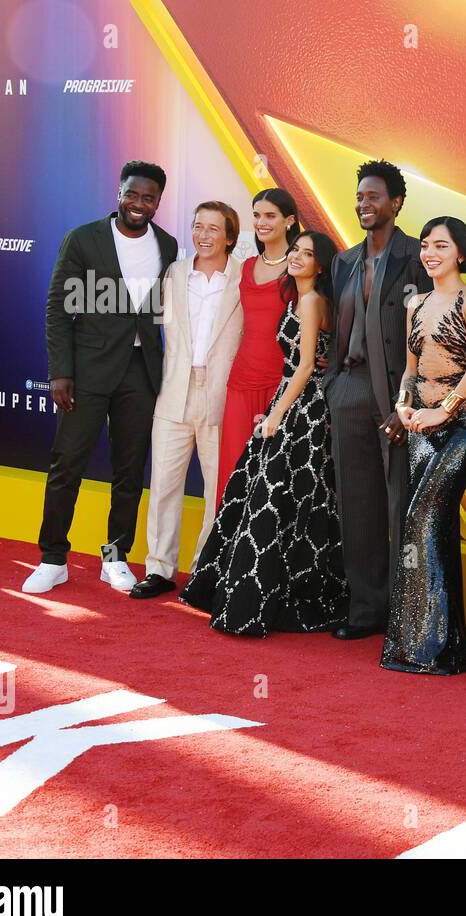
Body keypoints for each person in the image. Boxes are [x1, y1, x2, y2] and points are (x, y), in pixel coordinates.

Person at [179, 231, 348, 637]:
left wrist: (274, 415)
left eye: (307, 254)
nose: (297, 257)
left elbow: (305, 366)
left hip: (303, 409)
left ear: (320, 265)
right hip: (293, 402)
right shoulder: (299, 298)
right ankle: (269, 591)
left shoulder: (310, 302)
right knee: (281, 498)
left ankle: (263, 597)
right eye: (295, 250)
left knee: (276, 497)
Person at [23, 161, 178, 595]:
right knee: (66, 465)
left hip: (140, 372)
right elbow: (58, 307)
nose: (139, 204)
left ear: (158, 202)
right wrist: (61, 372)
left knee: (129, 471)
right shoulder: (84, 239)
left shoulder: (167, 243)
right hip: (87, 371)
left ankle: (115, 557)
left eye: (149, 198)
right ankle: (53, 558)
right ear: (119, 193)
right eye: (133, 194)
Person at [324, 160, 433, 641]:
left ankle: (404, 613)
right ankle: (365, 608)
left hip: (398, 395)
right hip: (348, 387)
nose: (363, 205)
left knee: (400, 506)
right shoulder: (343, 261)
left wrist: (406, 401)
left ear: (396, 203)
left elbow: (429, 337)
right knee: (357, 503)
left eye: (373, 197)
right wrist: (332, 385)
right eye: (359, 197)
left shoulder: (417, 258)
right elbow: (334, 328)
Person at [382, 217, 466, 675]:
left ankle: (433, 645)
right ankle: (430, 647)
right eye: (426, 245)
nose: (430, 253)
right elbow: (410, 368)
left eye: (441, 246)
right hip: (420, 425)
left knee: (421, 517)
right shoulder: (416, 303)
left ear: (461, 254)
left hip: (461, 423)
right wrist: (404, 405)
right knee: (429, 526)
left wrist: (444, 411)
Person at [131, 201, 244, 599]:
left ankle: (203, 570)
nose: (204, 235)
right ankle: (159, 568)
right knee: (163, 482)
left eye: (214, 228)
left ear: (230, 236)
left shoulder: (243, 278)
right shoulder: (175, 273)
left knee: (218, 489)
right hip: (174, 389)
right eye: (198, 226)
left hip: (223, 393)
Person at [215, 188, 299, 503]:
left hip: (282, 386)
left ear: (289, 220)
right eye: (257, 215)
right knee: (234, 474)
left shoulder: (299, 267)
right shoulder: (247, 266)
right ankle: (226, 552)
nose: (261, 223)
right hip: (240, 383)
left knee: (272, 479)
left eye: (270, 216)